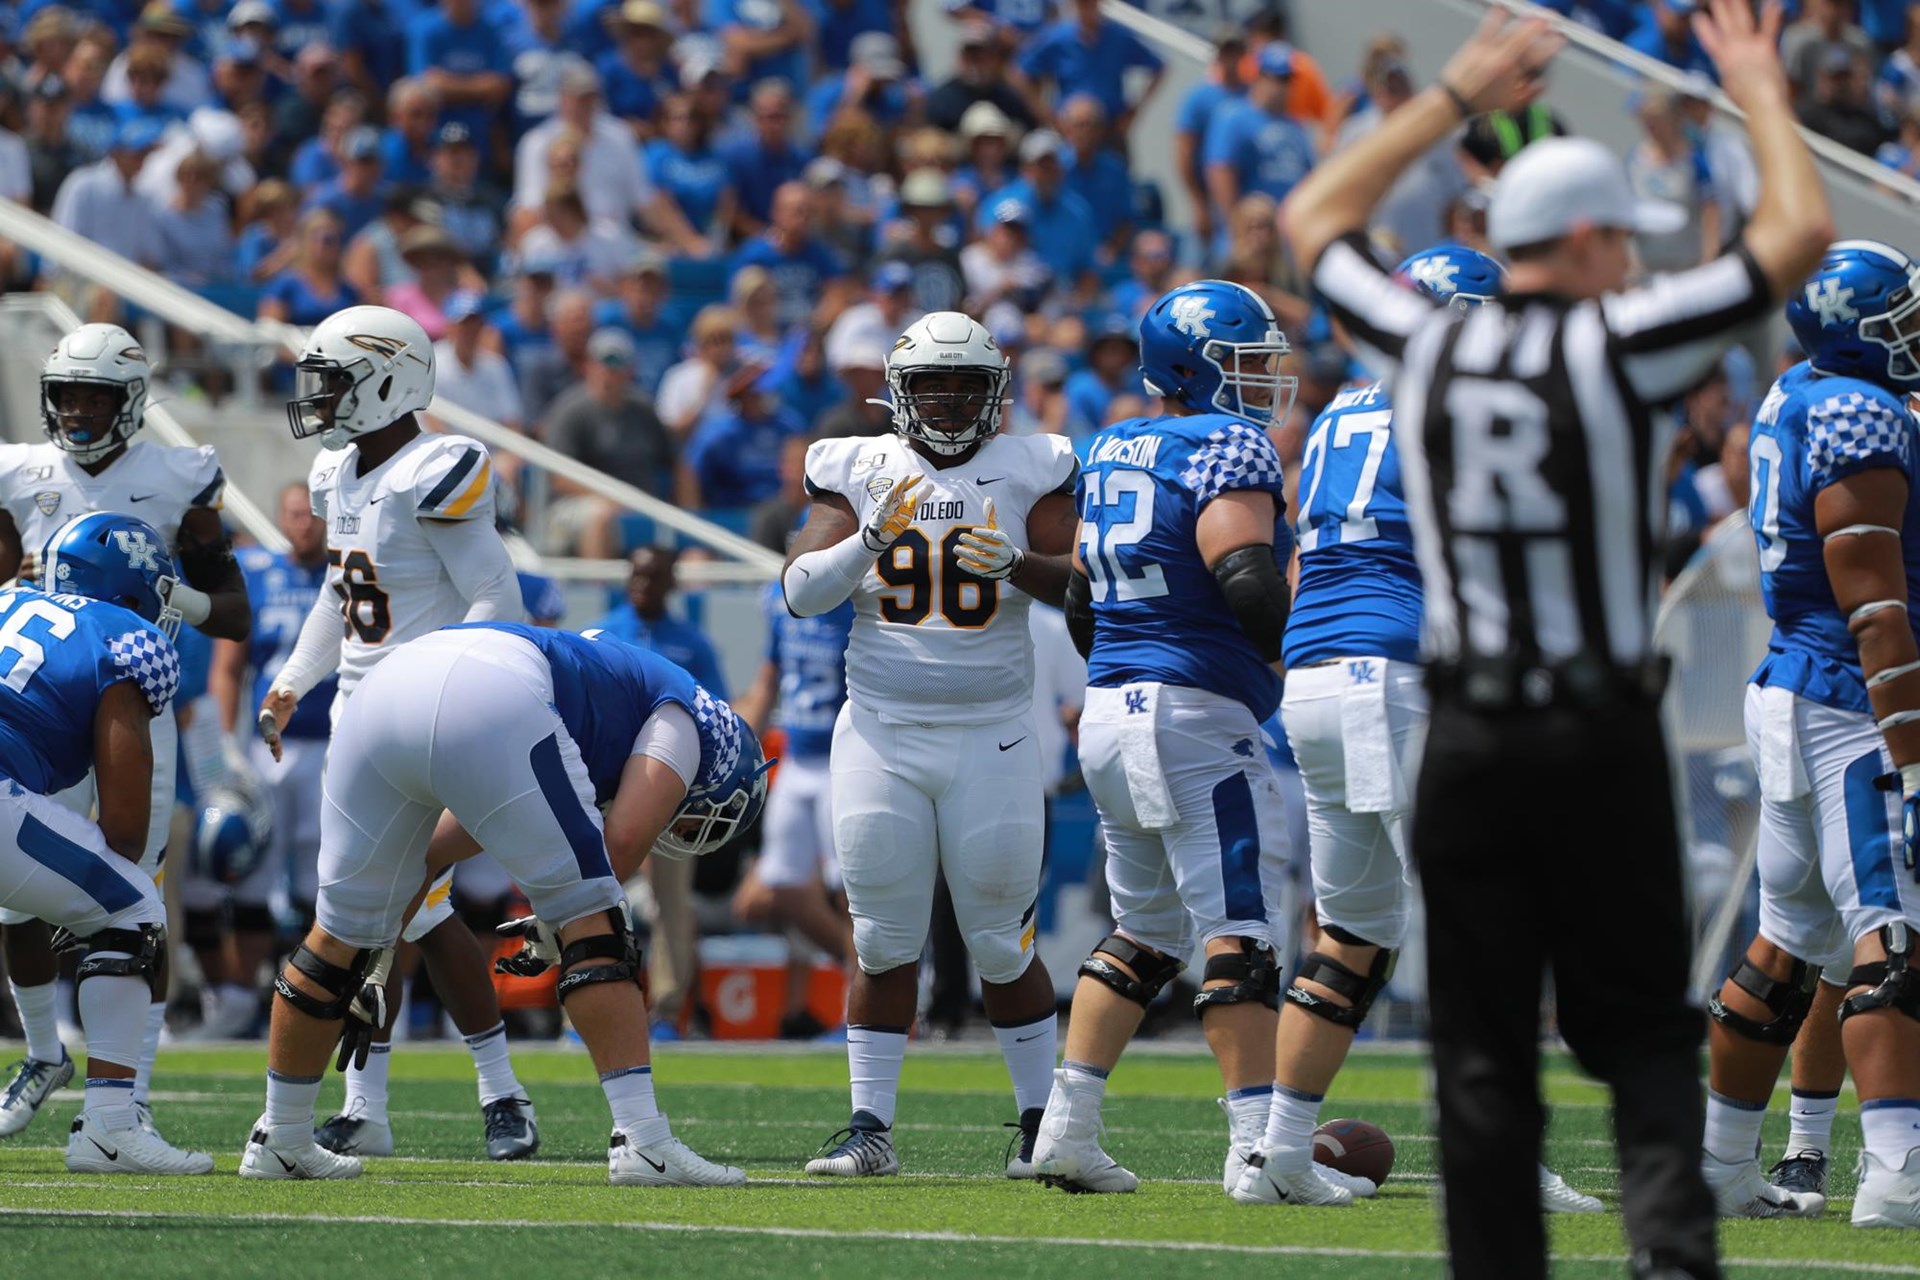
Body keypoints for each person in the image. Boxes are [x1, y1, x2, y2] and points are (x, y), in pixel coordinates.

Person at [1284, 4, 1833, 1276]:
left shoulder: (1422, 345)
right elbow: (1796, 234)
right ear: (1583, 240)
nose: (1628, 266)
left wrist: (1452, 95)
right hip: (1595, 727)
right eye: (1618, 245)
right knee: (1641, 1033)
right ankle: (1672, 1261)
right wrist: (1754, 80)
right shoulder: (1622, 341)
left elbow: (1315, 221)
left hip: (1470, 733)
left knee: (1480, 1057)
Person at [1256, 244, 1599, 1215]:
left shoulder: (1337, 412)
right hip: (1394, 672)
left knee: (1352, 929)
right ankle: (1497, 1157)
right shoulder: (1458, 399)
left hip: (1315, 672)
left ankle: (1279, 1149)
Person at [238, 622, 769, 1184]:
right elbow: (621, 845)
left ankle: (283, 1136)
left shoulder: (606, 695)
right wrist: (560, 916)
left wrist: (379, 957)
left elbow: (430, 853)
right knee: (597, 922)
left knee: (337, 936)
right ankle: (644, 1141)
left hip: (385, 689)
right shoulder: (692, 717)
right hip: (486, 693)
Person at [782, 311, 1077, 1178]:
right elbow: (799, 593)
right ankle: (869, 1129)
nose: (948, 401)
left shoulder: (1037, 465)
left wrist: (1016, 564)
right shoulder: (859, 465)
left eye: (965, 385)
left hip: (992, 732)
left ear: (996, 393)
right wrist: (865, 543)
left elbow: (1087, 587)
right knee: (882, 936)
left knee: (999, 939)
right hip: (880, 731)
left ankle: (1041, 1126)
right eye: (933, 385)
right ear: (898, 393)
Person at [1028, 280, 1303, 1196]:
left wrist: (1128, 675)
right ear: (1195, 368)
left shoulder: (1111, 444)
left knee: (1144, 932)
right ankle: (1259, 1150)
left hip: (1113, 713)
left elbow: (1079, 601)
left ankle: (1067, 1130)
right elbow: (1251, 582)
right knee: (1241, 935)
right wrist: (1291, 660)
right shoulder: (1228, 443)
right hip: (1193, 717)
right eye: (1247, 363)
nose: (1264, 381)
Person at [254, 305, 539, 1165]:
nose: (323, 398)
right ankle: (383, 1105)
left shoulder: (437, 466)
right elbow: (338, 596)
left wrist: (459, 689)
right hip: (356, 717)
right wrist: (292, 682)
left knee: (407, 907)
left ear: (388, 378)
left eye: (336, 379)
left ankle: (494, 1093)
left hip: (426, 714)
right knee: (381, 913)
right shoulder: (337, 471)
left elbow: (498, 597)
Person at [1703, 239, 1920, 1229]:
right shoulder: (1858, 412)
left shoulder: (1798, 388)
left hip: (1791, 680)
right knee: (1894, 931)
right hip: (1848, 694)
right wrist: (1910, 748)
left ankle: (1723, 1162)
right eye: (1901, 321)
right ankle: (1897, 1168)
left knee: (1788, 941)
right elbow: (1874, 602)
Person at [0, 325, 249, 1146]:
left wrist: (164, 596)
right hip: (42, 701)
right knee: (17, 898)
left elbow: (236, 614)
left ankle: (127, 1096)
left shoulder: (178, 477)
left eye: (94, 395)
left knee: (136, 887)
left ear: (130, 402)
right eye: (65, 394)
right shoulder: (20, 472)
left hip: (127, 703)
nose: (75, 410)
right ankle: (45, 1052)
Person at [0, 513, 211, 1174]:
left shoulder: (6, 597)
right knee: (134, 910)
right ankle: (111, 1128)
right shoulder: (125, 636)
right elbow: (125, 830)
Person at [206, 483, 336, 1034]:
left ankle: (319, 995)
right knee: (253, 874)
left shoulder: (346, 573)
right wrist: (227, 745)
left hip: (334, 744)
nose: (301, 524)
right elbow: (228, 666)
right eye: (292, 514)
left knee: (322, 879)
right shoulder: (256, 574)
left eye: (310, 514)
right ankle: (239, 998)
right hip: (269, 747)